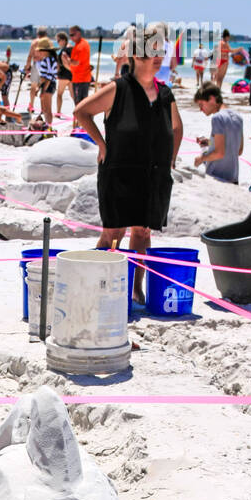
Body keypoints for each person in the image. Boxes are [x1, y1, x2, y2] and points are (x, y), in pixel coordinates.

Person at [75, 22, 183, 305]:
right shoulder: (117, 89)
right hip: (119, 172)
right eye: (151, 53)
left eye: (160, 53)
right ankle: (94, 286)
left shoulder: (164, 93)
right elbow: (81, 112)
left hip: (153, 175)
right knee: (113, 231)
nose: (157, 59)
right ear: (136, 56)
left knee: (142, 231)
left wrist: (169, 158)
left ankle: (135, 289)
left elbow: (177, 127)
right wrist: (101, 143)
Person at [193, 83, 244, 183]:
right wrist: (208, 142)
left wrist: (201, 159)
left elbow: (219, 153)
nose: (200, 109)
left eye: (201, 104)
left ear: (212, 99)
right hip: (233, 177)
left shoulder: (217, 118)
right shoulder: (238, 117)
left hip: (217, 176)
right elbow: (238, 150)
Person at [25, 26, 50, 111]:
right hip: (45, 65)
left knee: (33, 87)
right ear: (46, 34)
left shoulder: (34, 42)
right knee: (43, 87)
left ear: (37, 34)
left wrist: (27, 67)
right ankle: (43, 108)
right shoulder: (48, 42)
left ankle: (31, 106)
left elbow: (30, 56)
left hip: (36, 65)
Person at [68, 25, 92, 105]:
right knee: (81, 104)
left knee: (80, 105)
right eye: (70, 35)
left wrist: (66, 59)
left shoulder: (81, 46)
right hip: (79, 78)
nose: (71, 37)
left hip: (81, 79)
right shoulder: (79, 44)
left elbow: (76, 63)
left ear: (78, 33)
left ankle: (82, 117)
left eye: (72, 35)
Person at [55, 31, 73, 114]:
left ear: (63, 40)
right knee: (73, 96)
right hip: (72, 75)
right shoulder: (73, 48)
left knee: (59, 94)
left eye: (58, 41)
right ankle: (79, 113)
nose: (57, 43)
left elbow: (65, 63)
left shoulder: (64, 50)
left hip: (64, 75)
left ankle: (58, 112)